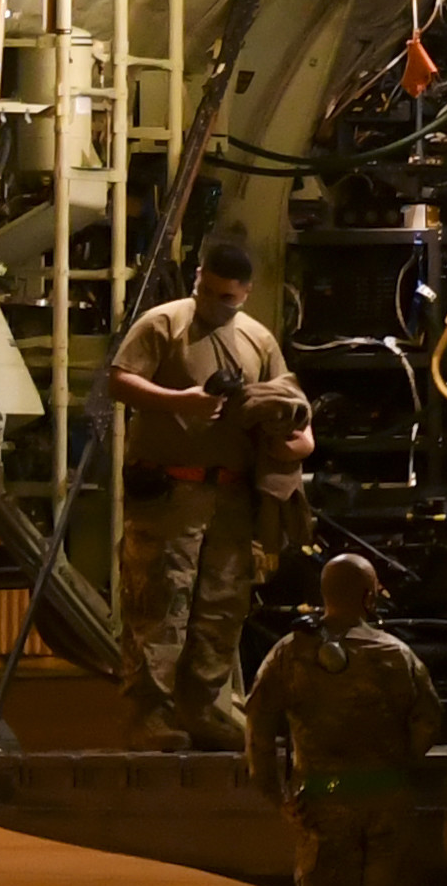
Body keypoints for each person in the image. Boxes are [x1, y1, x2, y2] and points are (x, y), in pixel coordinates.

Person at [248, 544, 447, 886]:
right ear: (368, 596)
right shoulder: (395, 654)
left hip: (324, 804)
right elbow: (428, 721)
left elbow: (258, 723)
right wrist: (395, 764)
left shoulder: (292, 653)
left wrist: (275, 792)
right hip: (386, 803)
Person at [105, 238, 310, 741]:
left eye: (228, 297)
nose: (216, 302)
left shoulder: (258, 340)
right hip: (172, 493)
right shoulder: (164, 325)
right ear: (198, 278)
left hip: (231, 498)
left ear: (245, 293)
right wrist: (183, 401)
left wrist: (297, 444)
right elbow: (119, 380)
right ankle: (148, 715)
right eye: (209, 290)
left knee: (220, 607)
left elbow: (289, 401)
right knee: (159, 604)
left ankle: (200, 710)